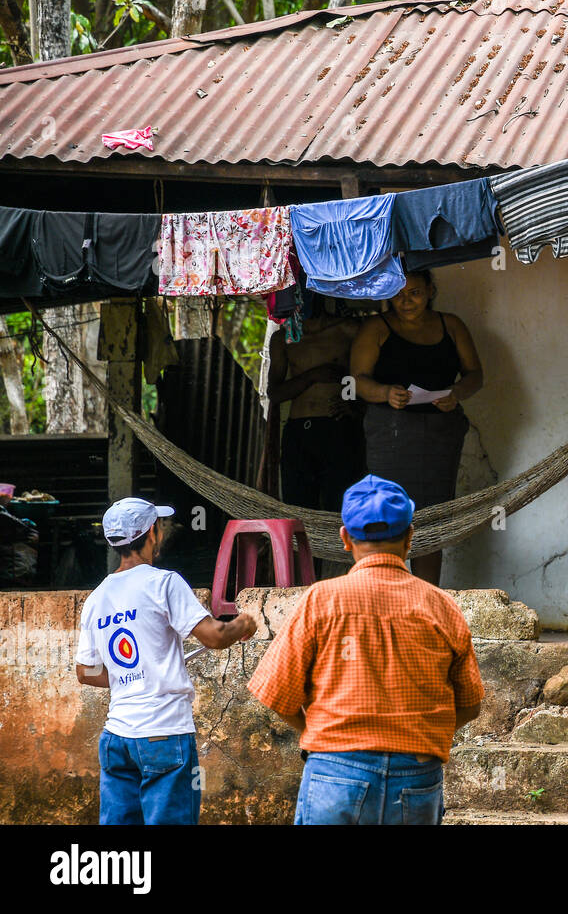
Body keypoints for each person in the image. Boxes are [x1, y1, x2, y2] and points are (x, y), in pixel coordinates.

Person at [247, 474, 484, 825]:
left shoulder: (319, 601)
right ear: (410, 538)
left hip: (335, 768)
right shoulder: (442, 606)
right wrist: (418, 738)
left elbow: (276, 695)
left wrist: (323, 732)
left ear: (345, 538)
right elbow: (470, 705)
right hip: (417, 773)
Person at [74, 497, 256, 824]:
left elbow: (86, 671)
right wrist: (245, 622)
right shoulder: (163, 583)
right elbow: (215, 636)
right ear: (152, 533)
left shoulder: (96, 598)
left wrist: (127, 676)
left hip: (116, 738)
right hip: (163, 733)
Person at [350, 270, 483, 584]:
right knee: (387, 511)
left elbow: (475, 374)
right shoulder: (376, 328)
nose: (406, 300)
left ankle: (425, 592)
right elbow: (357, 380)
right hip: (390, 432)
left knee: (432, 517)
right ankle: (387, 589)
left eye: (415, 293)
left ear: (431, 291)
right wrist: (385, 393)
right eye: (398, 292)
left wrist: (457, 394)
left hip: (440, 433)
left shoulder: (450, 324)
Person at [267, 309, 366, 512]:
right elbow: (274, 393)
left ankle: (340, 544)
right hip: (299, 429)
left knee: (340, 504)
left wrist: (355, 404)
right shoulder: (283, 337)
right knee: (299, 505)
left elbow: (364, 374)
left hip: (338, 426)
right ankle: (303, 545)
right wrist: (310, 376)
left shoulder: (348, 330)